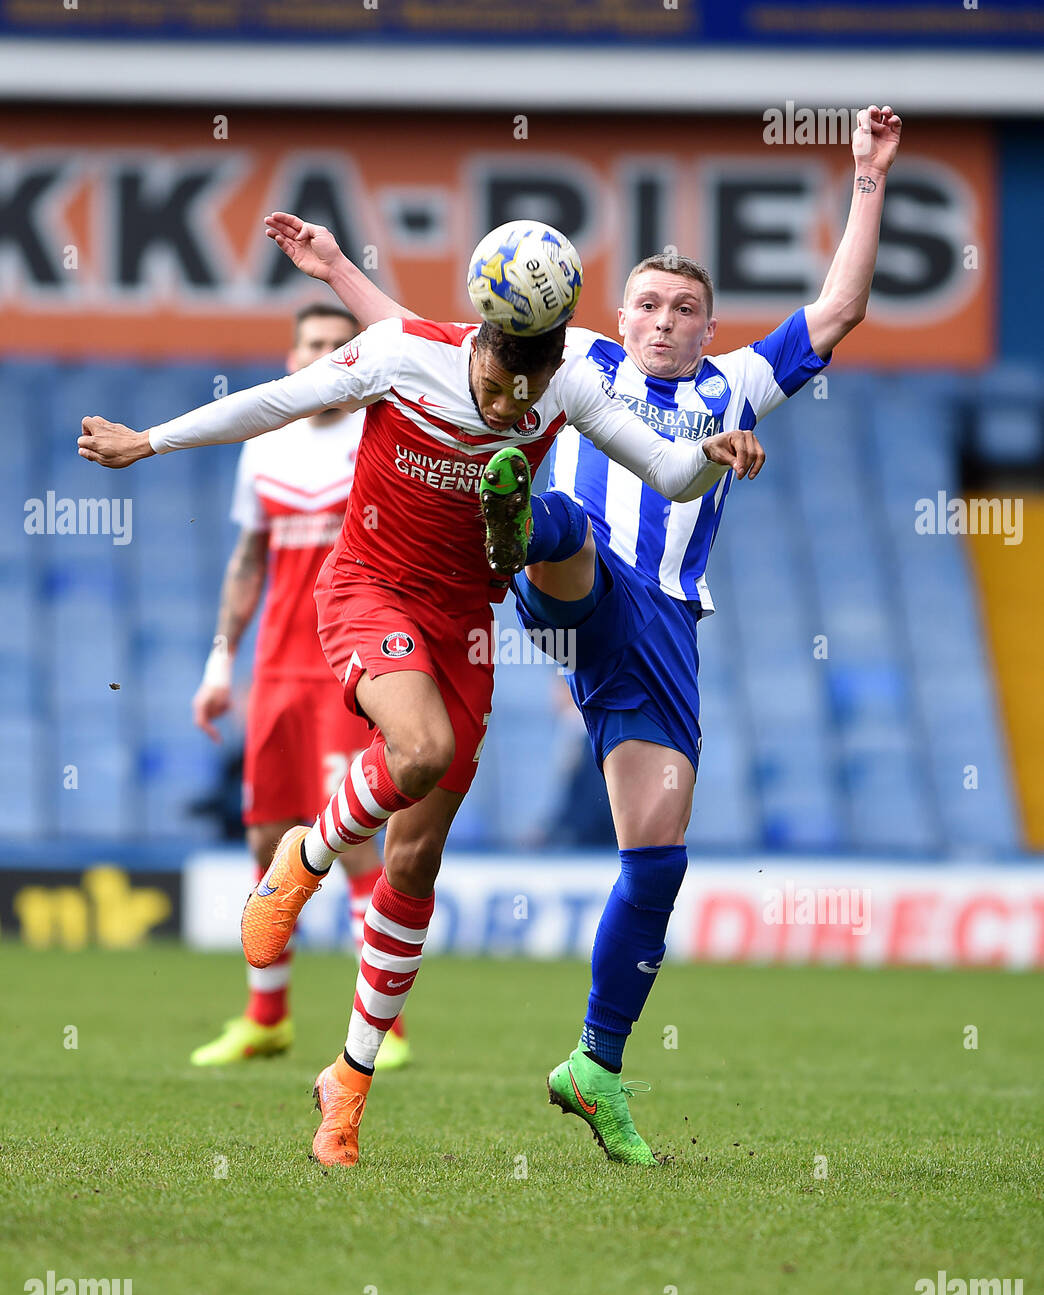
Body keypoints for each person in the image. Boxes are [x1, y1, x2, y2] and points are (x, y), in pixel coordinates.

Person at [260, 103, 902, 1165]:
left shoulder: (734, 386)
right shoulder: (573, 364)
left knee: (657, 858)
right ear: (615, 311)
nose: (661, 319)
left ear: (708, 323)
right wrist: (339, 274)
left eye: (684, 307)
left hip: (662, 635)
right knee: (569, 534)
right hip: (568, 579)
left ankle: (595, 1064)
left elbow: (839, 310)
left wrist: (868, 174)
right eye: (646, 301)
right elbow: (419, 347)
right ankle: (524, 521)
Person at [78, 274, 765, 1168]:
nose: (511, 405)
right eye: (499, 389)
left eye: (530, 393)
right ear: (481, 347)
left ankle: (347, 1088)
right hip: (370, 587)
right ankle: (304, 860)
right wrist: (151, 441)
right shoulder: (405, 355)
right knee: (420, 748)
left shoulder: (565, 382)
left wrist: (717, 448)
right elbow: (278, 401)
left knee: (413, 858)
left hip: (461, 622)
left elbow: (671, 472)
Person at [188, 302, 410, 1073]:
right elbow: (249, 561)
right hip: (278, 665)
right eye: (312, 346)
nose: (324, 358)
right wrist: (222, 661)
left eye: (337, 347)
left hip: (348, 663)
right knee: (265, 832)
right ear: (293, 361)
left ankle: (386, 1027)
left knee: (349, 839)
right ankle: (266, 1019)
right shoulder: (264, 448)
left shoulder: (380, 437)